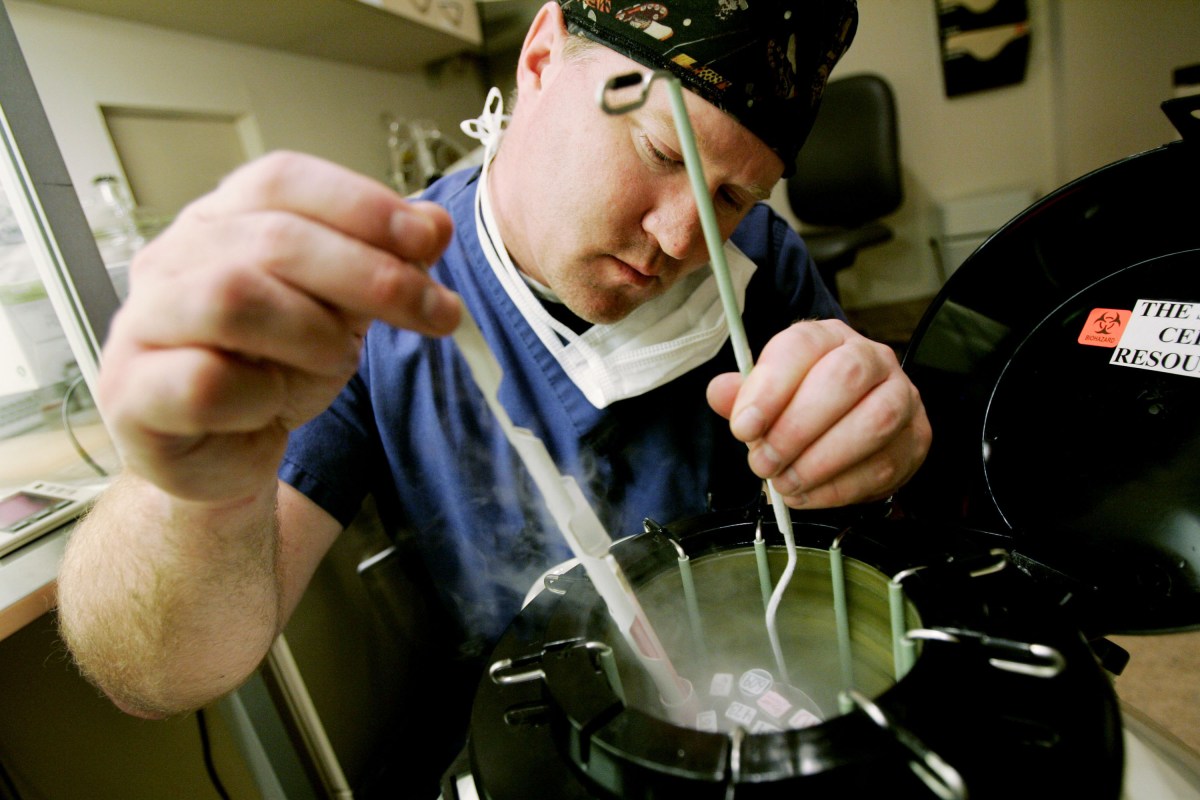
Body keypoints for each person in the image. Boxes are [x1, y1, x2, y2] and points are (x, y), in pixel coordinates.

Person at [57, 0, 929, 791]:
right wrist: (188, 485)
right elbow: (158, 677)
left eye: (732, 197)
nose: (679, 236)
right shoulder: (375, 307)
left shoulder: (763, 266)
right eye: (662, 152)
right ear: (543, 58)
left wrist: (886, 447)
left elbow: (859, 528)